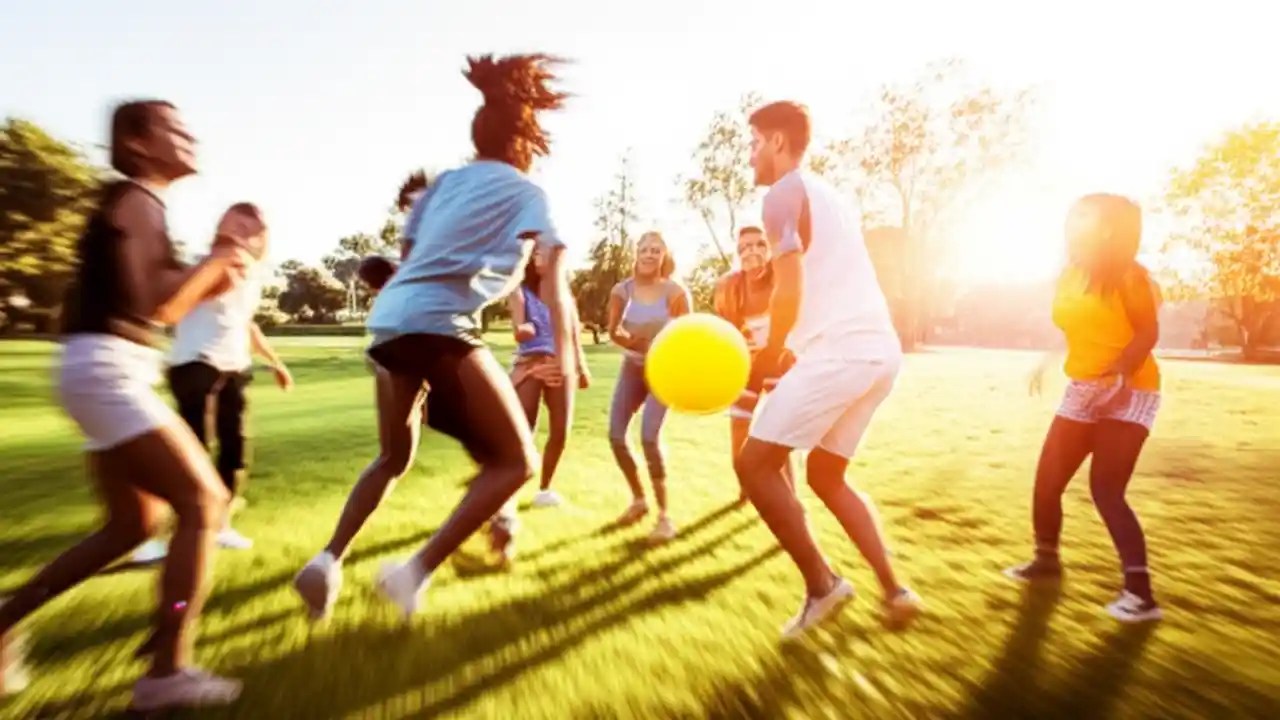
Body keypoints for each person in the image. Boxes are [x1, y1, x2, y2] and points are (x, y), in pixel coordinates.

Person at [292, 53, 577, 621]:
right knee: (516, 461)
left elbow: (407, 262)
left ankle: (326, 561)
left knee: (393, 458)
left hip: (391, 323)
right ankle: (413, 573)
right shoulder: (527, 193)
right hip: (440, 327)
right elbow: (556, 282)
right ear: (526, 143)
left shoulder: (446, 183)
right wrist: (567, 359)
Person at [0, 100, 253, 710]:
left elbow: (160, 294)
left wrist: (208, 272)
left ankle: (3, 621)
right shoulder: (137, 199)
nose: (190, 135)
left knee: (132, 526)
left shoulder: (141, 205)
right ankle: (167, 669)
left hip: (102, 367)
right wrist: (217, 261)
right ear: (139, 144)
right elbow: (156, 306)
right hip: (108, 368)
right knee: (205, 502)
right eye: (175, 129)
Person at [735, 100, 922, 640]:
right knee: (824, 474)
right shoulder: (827, 194)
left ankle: (823, 586)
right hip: (879, 351)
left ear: (775, 141)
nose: (750, 155)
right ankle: (895, 590)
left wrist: (766, 360)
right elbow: (825, 281)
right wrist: (789, 352)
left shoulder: (780, 194)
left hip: (841, 352)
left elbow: (790, 286)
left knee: (754, 465)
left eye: (752, 143)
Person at [1007, 193, 1163, 623]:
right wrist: (1045, 361)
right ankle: (1046, 562)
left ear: (1109, 228)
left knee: (1106, 490)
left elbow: (1148, 332)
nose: (1073, 222)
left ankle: (1140, 594)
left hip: (1131, 390)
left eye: (1085, 216)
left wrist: (1120, 376)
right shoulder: (1071, 274)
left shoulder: (1132, 278)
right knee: (1047, 479)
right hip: (1083, 389)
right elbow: (1076, 328)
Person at [130, 204, 292, 563]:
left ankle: (219, 527)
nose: (245, 232)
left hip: (234, 369)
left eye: (254, 228)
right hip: (194, 365)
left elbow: (246, 325)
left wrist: (276, 364)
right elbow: (171, 306)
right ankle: (152, 535)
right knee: (190, 454)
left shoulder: (252, 277)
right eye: (237, 222)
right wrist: (214, 272)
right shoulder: (202, 262)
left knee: (235, 452)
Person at [606, 231, 690, 543]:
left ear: (664, 256)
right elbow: (612, 330)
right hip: (632, 367)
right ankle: (639, 500)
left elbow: (689, 334)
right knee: (616, 435)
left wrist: (663, 349)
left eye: (656, 250)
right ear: (636, 252)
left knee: (649, 438)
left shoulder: (675, 291)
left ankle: (665, 517)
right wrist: (632, 341)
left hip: (663, 371)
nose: (650, 254)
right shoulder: (621, 290)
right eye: (645, 249)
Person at [712, 226, 796, 506]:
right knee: (739, 426)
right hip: (745, 366)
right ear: (738, 253)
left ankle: (790, 495)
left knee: (780, 430)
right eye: (745, 246)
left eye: (759, 244)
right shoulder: (729, 287)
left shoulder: (782, 279)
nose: (752, 251)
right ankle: (746, 489)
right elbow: (725, 330)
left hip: (778, 362)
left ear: (769, 248)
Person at [508, 246, 591, 508]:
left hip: (561, 364)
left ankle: (545, 489)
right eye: (537, 254)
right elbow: (519, 327)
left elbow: (574, 334)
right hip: (533, 364)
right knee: (523, 428)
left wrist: (582, 367)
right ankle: (504, 489)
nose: (541, 258)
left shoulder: (564, 296)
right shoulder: (519, 291)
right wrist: (524, 330)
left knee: (560, 430)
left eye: (546, 253)